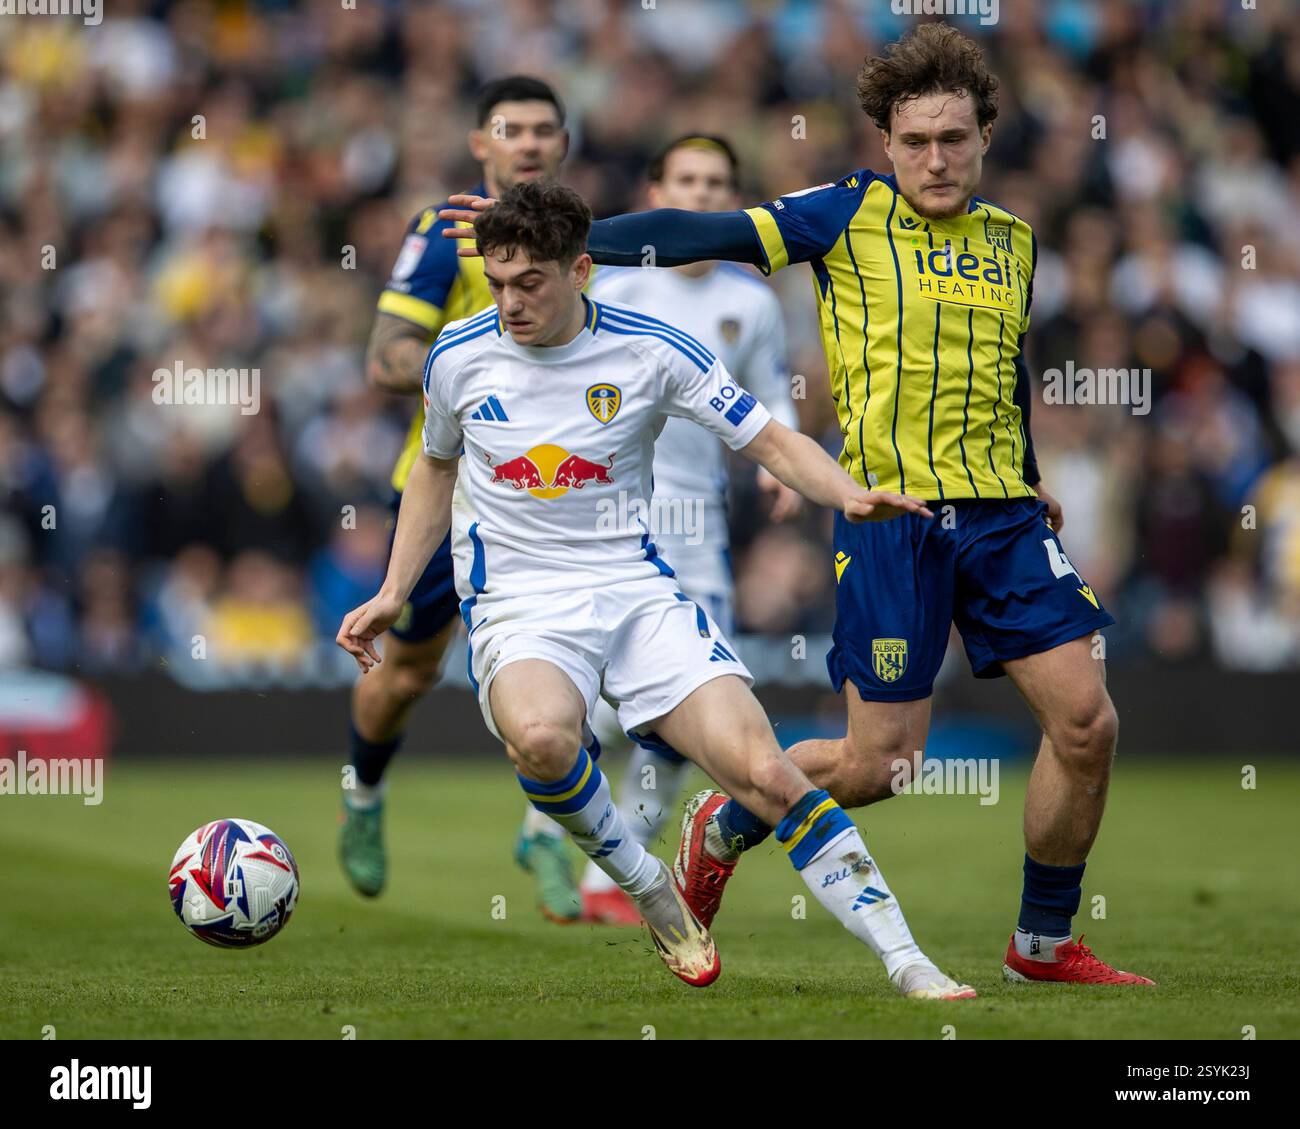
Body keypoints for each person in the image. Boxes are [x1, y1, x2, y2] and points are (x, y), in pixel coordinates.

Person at [440, 25, 1151, 986]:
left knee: (1087, 722)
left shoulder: (1015, 243)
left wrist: (1026, 469)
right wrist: (565, 240)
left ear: (986, 135)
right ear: (886, 145)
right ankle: (725, 819)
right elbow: (706, 234)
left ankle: (1042, 941)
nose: (934, 159)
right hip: (890, 516)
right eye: (914, 142)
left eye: (953, 139)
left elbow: (1004, 370)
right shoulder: (843, 214)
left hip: (1007, 519)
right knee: (879, 766)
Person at [337, 179, 974, 999]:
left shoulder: (651, 348)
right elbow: (434, 467)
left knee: (768, 775)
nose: (509, 302)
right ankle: (650, 889)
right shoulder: (457, 355)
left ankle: (908, 960)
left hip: (634, 592)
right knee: (541, 736)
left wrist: (845, 491)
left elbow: (770, 438)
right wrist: (394, 589)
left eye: (530, 282)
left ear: (581, 270)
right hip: (519, 608)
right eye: (497, 283)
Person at [340, 76, 583, 919]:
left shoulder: (593, 240)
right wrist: (482, 356)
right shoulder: (446, 230)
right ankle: (364, 798)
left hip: (558, 495)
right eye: (508, 129)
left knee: (574, 666)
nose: (527, 142)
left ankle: (544, 834)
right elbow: (385, 360)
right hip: (447, 489)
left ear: (564, 145)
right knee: (406, 671)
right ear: (481, 144)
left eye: (543, 130)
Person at [570, 132, 803, 925]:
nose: (701, 196)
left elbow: (774, 397)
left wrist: (779, 464)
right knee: (601, 699)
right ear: (657, 189)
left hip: (699, 525)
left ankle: (611, 873)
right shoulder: (614, 284)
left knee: (683, 716)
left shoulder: (752, 302)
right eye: (687, 181)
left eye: (716, 183)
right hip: (612, 515)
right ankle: (550, 819)